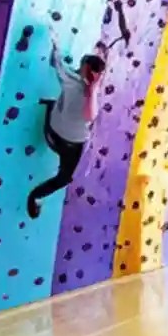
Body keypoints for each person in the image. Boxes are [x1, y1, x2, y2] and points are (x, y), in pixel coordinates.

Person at [26, 40, 107, 219]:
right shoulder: (91, 95)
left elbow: (57, 60)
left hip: (54, 127)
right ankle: (34, 196)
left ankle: (50, 106)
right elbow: (90, 116)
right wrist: (93, 90)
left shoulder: (68, 77)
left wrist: (56, 44)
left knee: (60, 105)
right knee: (64, 178)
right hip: (71, 143)